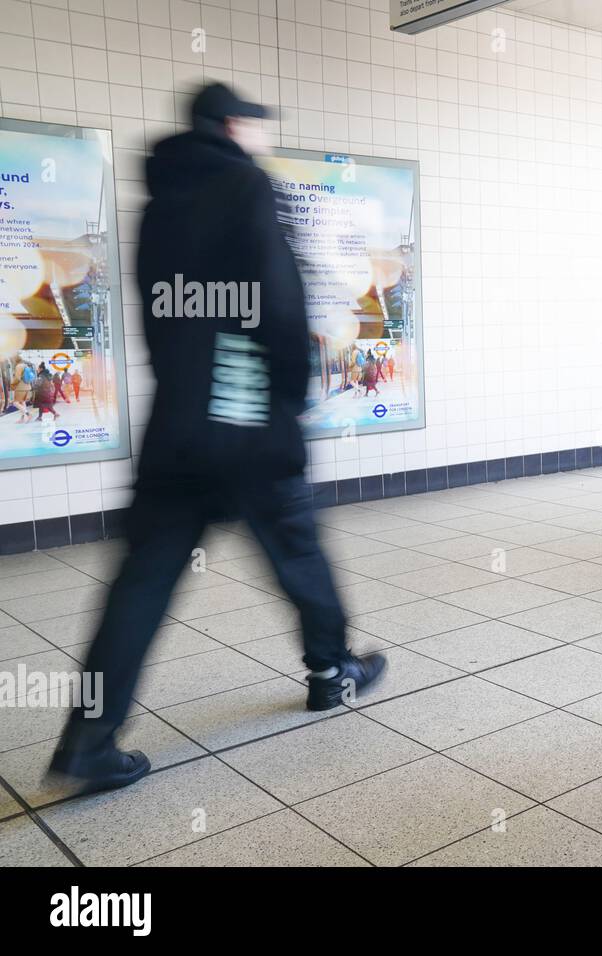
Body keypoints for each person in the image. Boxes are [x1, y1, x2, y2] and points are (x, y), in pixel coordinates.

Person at [48, 83, 387, 795]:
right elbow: (280, 303)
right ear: (234, 126)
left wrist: (183, 391)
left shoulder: (156, 204)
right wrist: (289, 401)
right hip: (250, 422)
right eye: (260, 127)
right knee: (298, 553)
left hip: (177, 426)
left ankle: (89, 739)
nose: (263, 139)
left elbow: (157, 316)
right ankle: (332, 672)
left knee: (141, 582)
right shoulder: (246, 185)